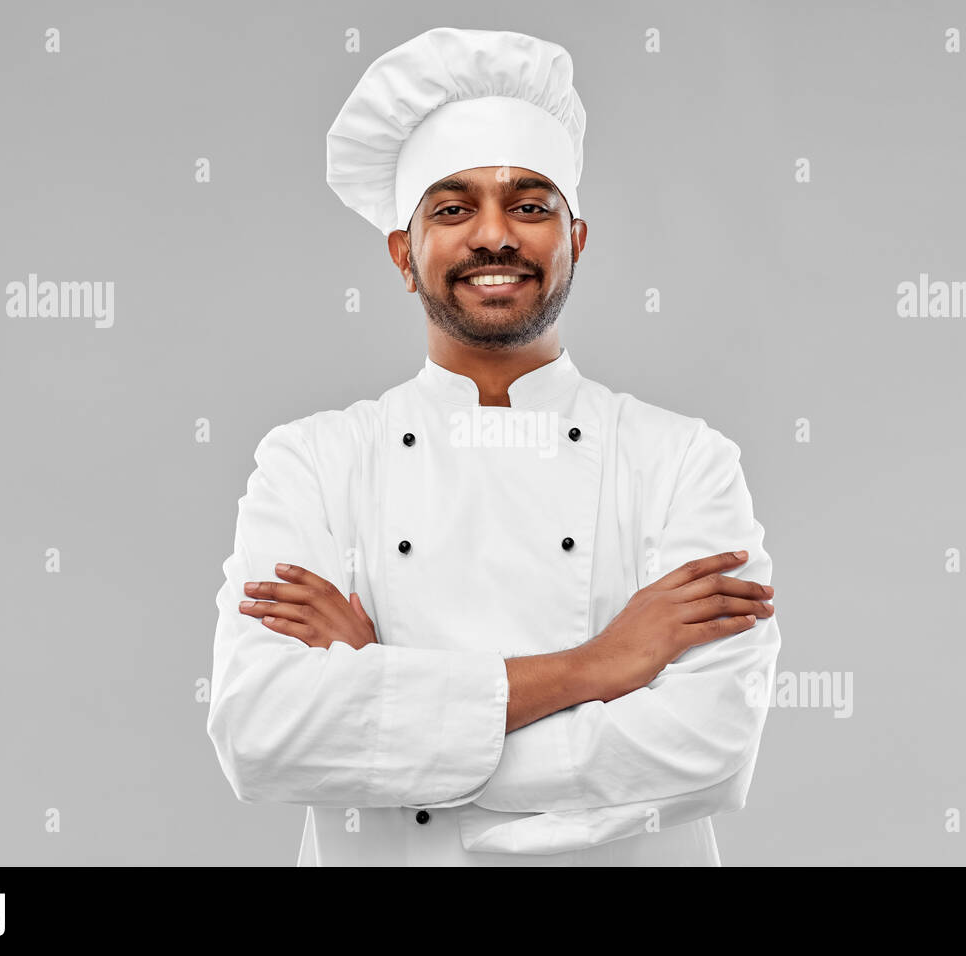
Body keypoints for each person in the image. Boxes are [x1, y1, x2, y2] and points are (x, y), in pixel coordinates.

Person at [205, 26, 782, 866]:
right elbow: (260, 734)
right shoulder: (313, 462)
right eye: (452, 207)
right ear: (405, 255)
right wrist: (598, 665)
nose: (494, 236)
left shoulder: (685, 461)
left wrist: (389, 699)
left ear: (574, 241)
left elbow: (709, 749)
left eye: (530, 204)